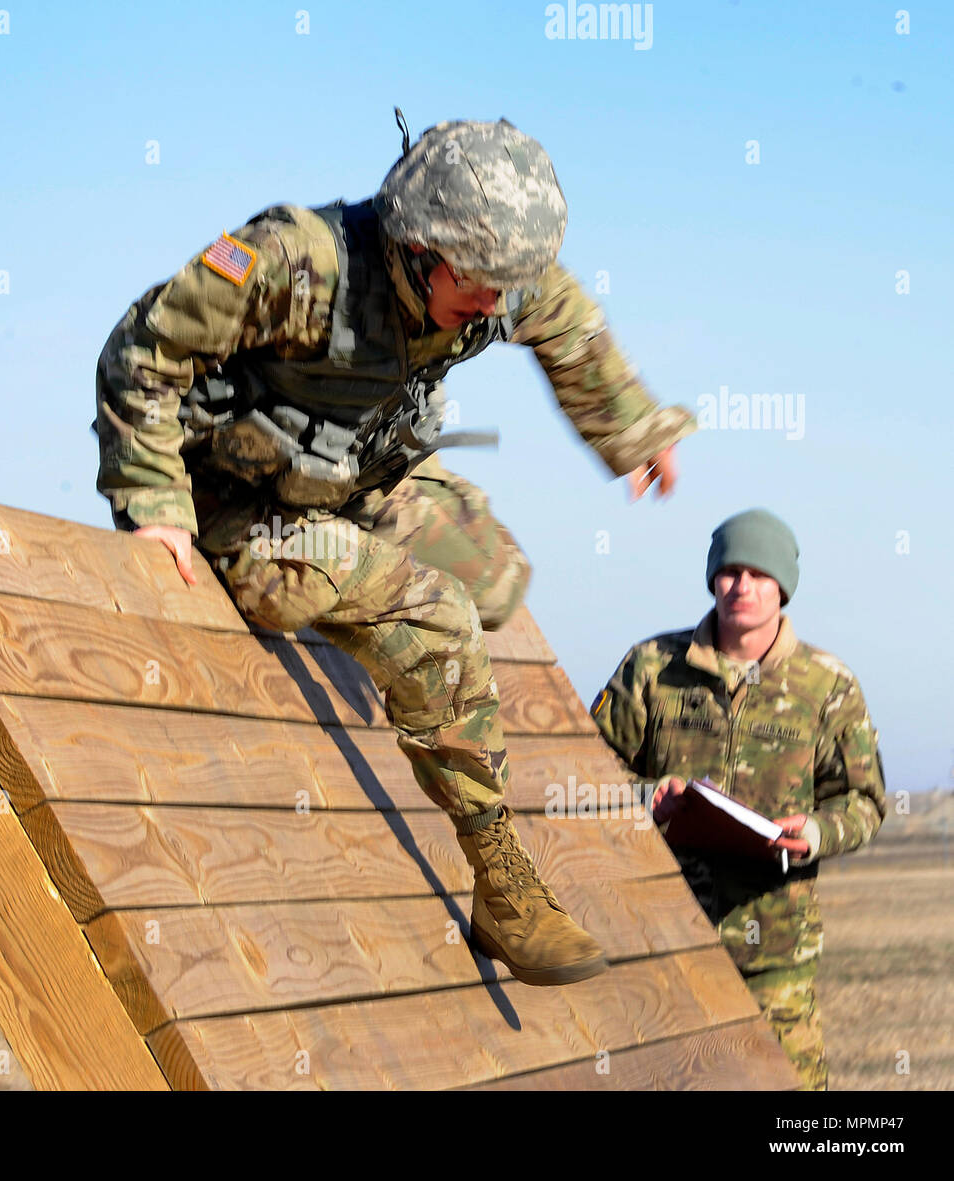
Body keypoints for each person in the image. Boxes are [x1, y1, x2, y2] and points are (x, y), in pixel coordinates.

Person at [93, 111, 697, 986]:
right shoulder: (289, 261)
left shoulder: (492, 271)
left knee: (496, 576)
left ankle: (388, 639)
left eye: (503, 287)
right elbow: (143, 349)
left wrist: (632, 426)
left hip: (350, 480)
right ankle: (504, 886)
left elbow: (561, 313)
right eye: (478, 285)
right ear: (418, 248)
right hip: (238, 505)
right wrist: (155, 506)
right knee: (440, 619)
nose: (492, 305)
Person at [589, 509, 886, 1085]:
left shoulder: (827, 684)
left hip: (774, 945)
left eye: (758, 573)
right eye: (728, 571)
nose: (741, 586)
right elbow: (583, 773)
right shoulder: (652, 667)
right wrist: (645, 798)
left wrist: (818, 833)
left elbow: (865, 801)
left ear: (783, 588)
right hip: (662, 936)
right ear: (711, 580)